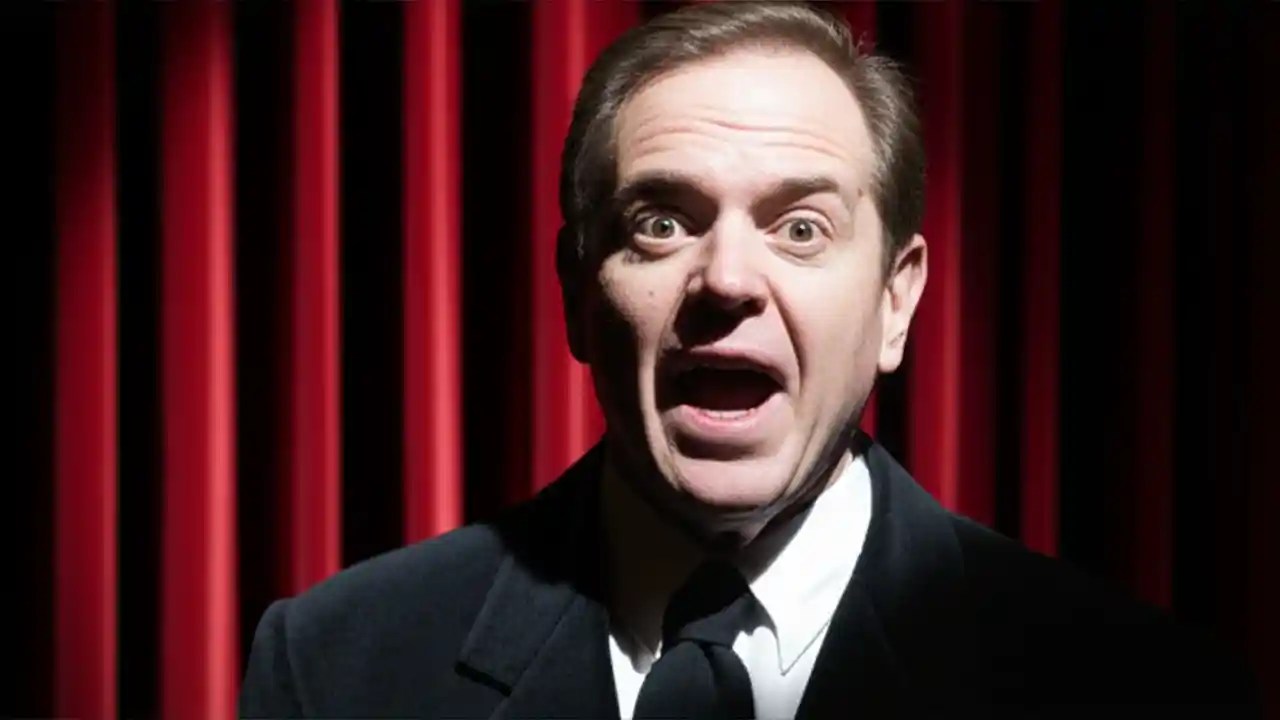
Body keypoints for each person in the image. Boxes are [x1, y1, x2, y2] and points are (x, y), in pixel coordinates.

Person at [240, 2, 1257, 717]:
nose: (725, 278)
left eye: (800, 228)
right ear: (574, 293)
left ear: (896, 300)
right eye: (660, 222)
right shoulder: (338, 666)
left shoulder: (1133, 686)